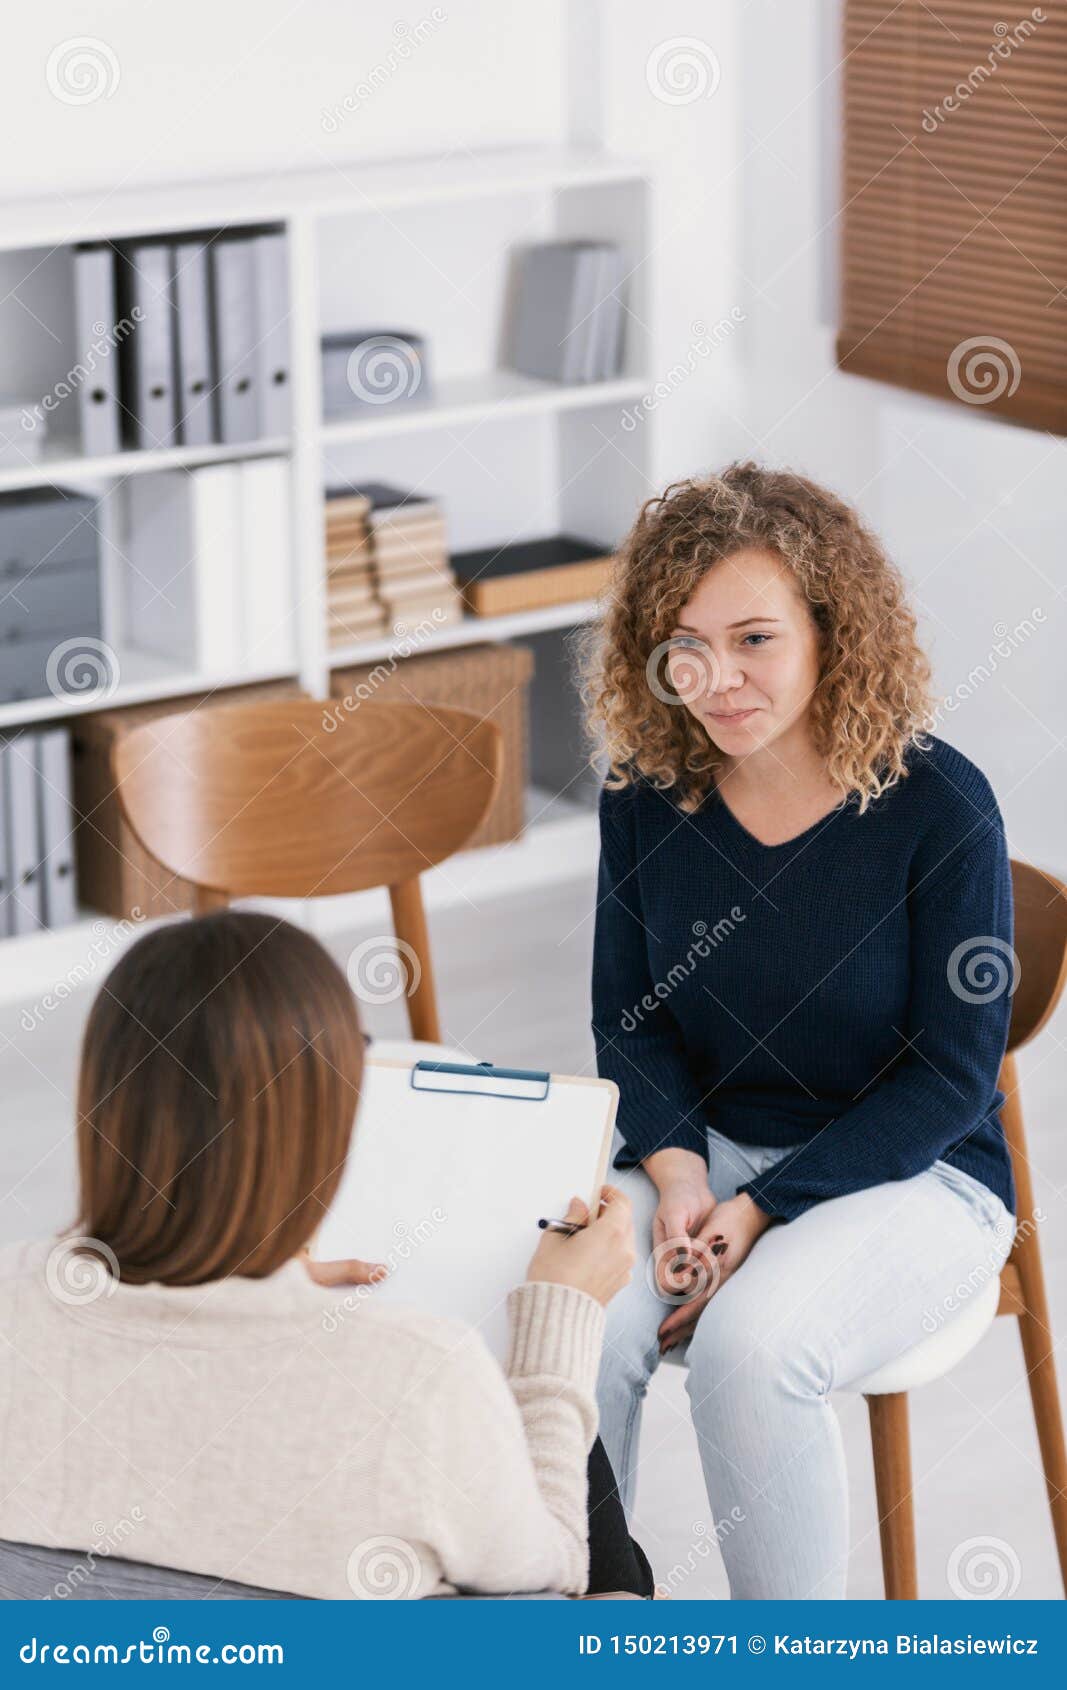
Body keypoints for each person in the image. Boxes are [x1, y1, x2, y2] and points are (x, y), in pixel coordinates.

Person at [580, 460, 1017, 1599]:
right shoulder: (644, 795)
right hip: (710, 1152)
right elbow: (628, 1022)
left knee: (750, 1349)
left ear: (831, 632)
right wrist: (681, 1177)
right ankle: (586, 1627)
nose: (715, 679)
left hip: (917, 1174)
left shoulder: (938, 807)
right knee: (565, 1314)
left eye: (755, 640)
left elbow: (949, 1080)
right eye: (686, 645)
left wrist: (762, 1208)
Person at [0, 912, 650, 1599]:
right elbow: (550, 1580)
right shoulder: (420, 1378)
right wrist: (559, 1322)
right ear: (327, 1124)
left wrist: (234, 1279)